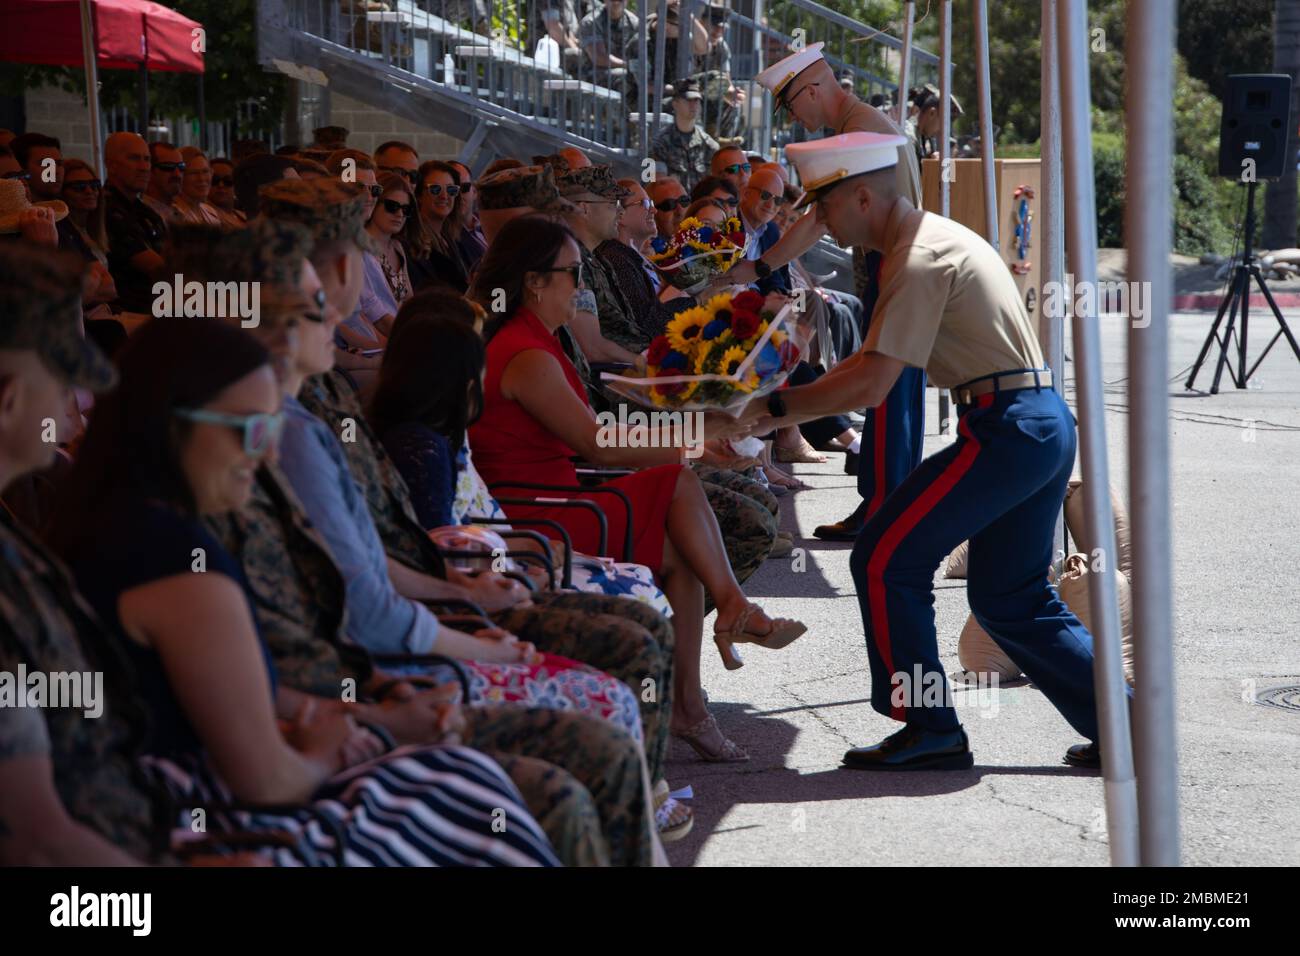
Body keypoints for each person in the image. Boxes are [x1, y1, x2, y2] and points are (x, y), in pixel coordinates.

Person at [48, 313, 560, 866]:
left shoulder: (113, 517)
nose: (268, 454)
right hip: (207, 822)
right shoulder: (173, 562)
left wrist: (371, 713)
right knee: (469, 789)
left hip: (192, 789)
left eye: (272, 428)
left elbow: (229, 688)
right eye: (251, 429)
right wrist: (351, 742)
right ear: (172, 425)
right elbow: (269, 781)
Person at [739, 131, 1110, 770]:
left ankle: (930, 725)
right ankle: (1124, 724)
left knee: (885, 557)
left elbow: (871, 382)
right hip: (1031, 420)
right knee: (1010, 596)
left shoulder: (915, 258)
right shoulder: (934, 236)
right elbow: (870, 361)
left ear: (862, 195)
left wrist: (768, 408)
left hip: (1006, 426)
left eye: (824, 209)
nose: (820, 223)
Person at [469, 215, 810, 762]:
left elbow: (596, 439)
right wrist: (695, 440)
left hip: (563, 498)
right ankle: (728, 626)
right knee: (676, 481)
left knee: (682, 550)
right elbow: (598, 443)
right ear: (534, 281)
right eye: (573, 273)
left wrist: (697, 435)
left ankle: (694, 696)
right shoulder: (525, 352)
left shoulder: (535, 340)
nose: (581, 287)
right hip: (540, 516)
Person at [747, 42, 927, 542]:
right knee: (896, 397)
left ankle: (884, 510)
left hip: (893, 270)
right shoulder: (864, 123)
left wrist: (759, 266)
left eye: (791, 103)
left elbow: (820, 219)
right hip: (897, 270)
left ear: (812, 89)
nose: (792, 115)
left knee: (888, 397)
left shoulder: (859, 132)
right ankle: (891, 505)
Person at [103, 132, 166, 314]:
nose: (144, 167)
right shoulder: (105, 209)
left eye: (147, 159)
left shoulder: (145, 212)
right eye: (134, 158)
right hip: (134, 310)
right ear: (111, 165)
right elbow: (154, 265)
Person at [597, 179, 662, 320]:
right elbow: (646, 322)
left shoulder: (631, 258)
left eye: (651, 203)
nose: (653, 210)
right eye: (644, 203)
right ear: (620, 214)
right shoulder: (617, 260)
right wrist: (685, 291)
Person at [361, 171, 414, 337]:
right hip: (375, 340)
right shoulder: (361, 248)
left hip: (401, 332)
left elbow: (408, 300)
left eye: (406, 209)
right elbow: (369, 312)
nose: (399, 214)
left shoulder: (398, 247)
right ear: (375, 203)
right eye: (392, 206)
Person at [406, 160, 468, 293]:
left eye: (451, 189)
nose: (444, 196)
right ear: (419, 195)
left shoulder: (451, 237)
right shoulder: (412, 242)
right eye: (435, 189)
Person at [651, 77, 719, 194]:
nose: (693, 105)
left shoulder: (709, 145)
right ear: (675, 104)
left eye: (696, 100)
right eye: (688, 100)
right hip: (671, 207)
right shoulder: (660, 143)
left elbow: (714, 186)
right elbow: (653, 185)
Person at [447, 159, 487, 270]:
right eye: (452, 190)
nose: (458, 196)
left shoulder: (490, 222)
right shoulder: (446, 238)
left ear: (474, 192)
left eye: (464, 188)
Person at [174, 146, 226, 226]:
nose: (201, 178)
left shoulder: (211, 212)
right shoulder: (174, 213)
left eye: (205, 171)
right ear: (181, 176)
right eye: (193, 173)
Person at [142, 141, 184, 225]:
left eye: (181, 166)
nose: (177, 174)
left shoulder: (179, 213)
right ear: (149, 171)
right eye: (168, 167)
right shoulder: (142, 216)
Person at [207, 157, 245, 227]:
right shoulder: (205, 217)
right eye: (215, 180)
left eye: (227, 181)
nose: (221, 185)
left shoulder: (243, 215)